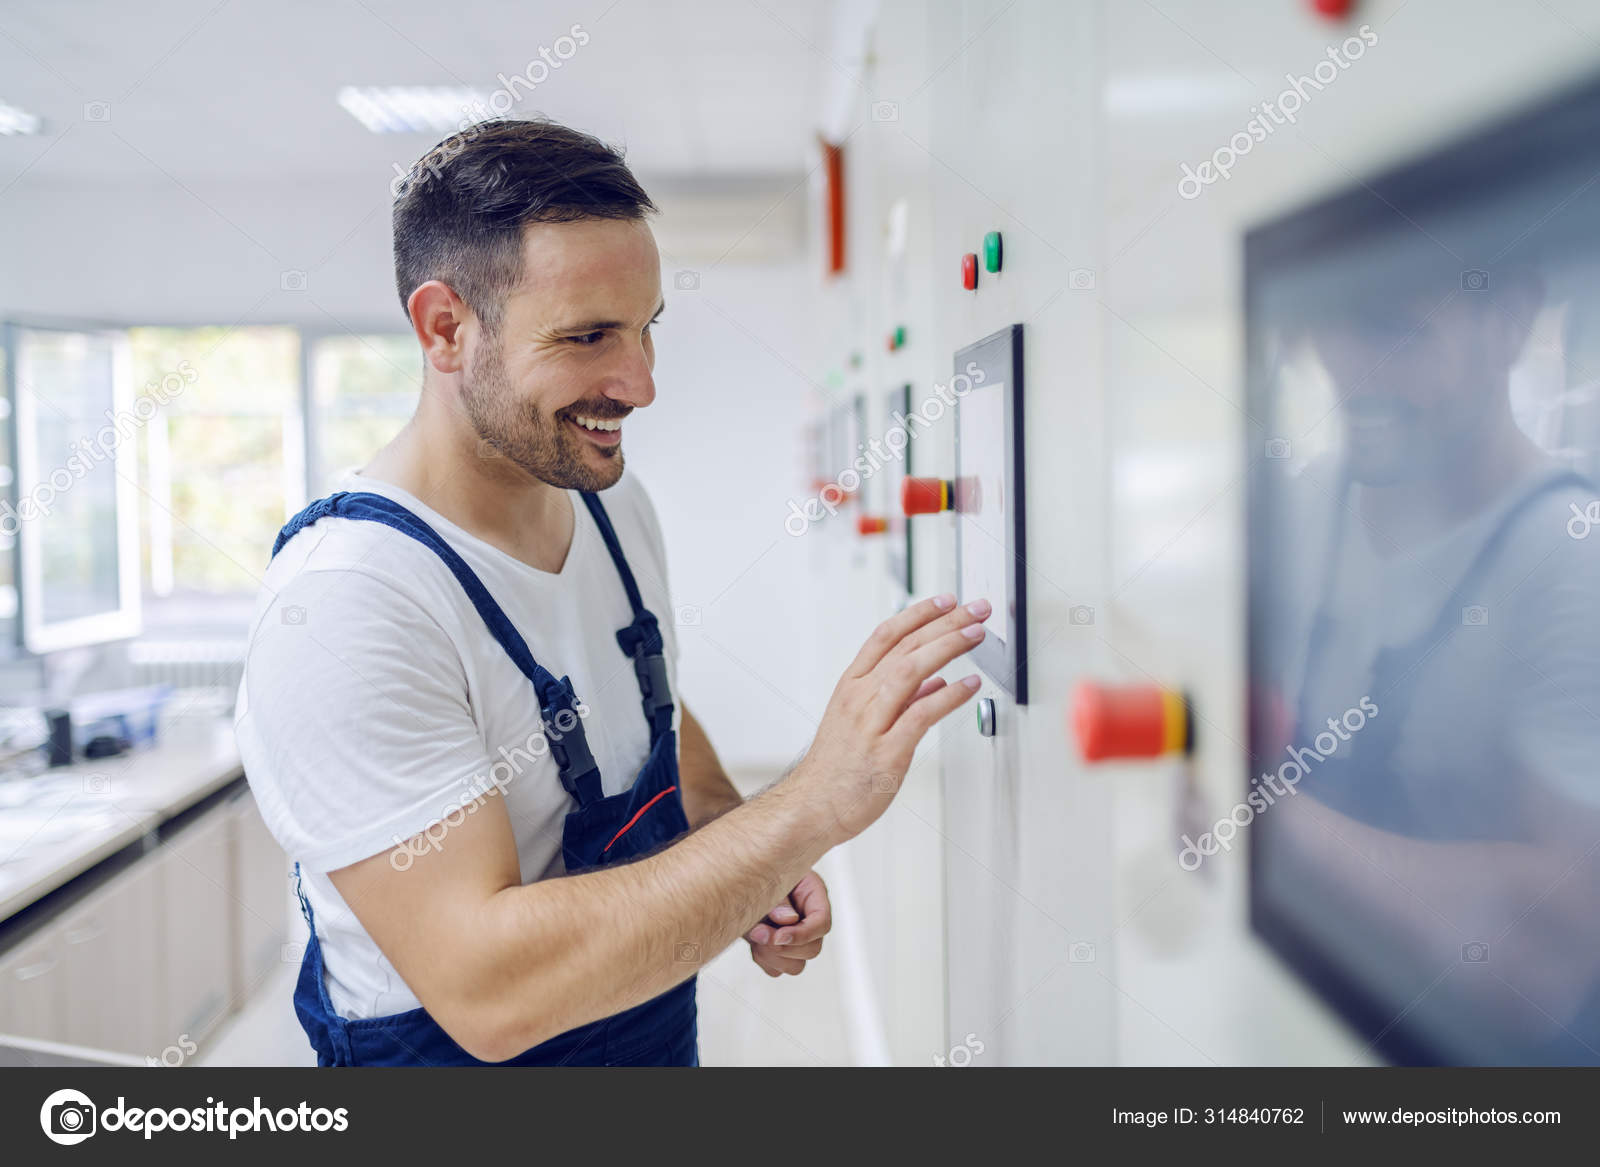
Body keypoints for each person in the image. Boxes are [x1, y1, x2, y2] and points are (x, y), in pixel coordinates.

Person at [234, 119, 988, 1066]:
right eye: (589, 335)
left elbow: (650, 708)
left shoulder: (610, 506)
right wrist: (807, 807)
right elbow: (489, 992)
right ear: (445, 328)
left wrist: (731, 836)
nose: (639, 383)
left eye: (645, 329)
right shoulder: (351, 607)